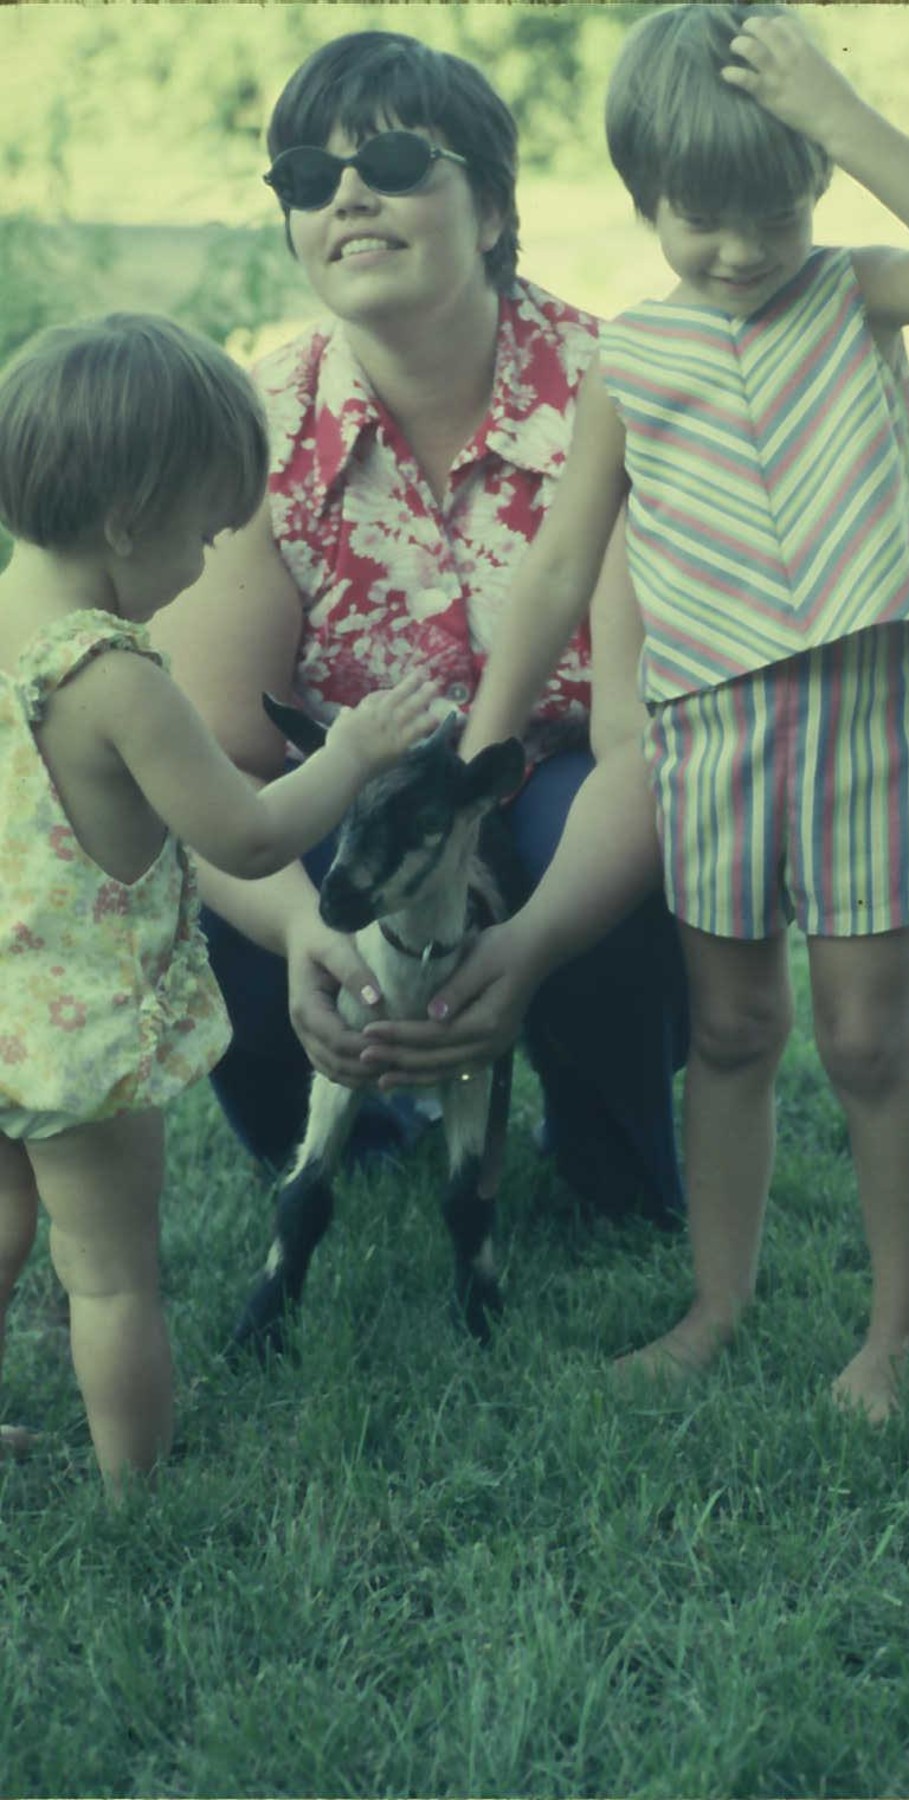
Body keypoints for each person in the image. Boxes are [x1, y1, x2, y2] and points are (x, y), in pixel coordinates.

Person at [452, 3, 909, 1420]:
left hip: (863, 717)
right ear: (645, 198)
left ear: (817, 185)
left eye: (774, 210)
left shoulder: (858, 295)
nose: (742, 248)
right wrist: (481, 745)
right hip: (708, 736)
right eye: (702, 217)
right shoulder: (630, 363)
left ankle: (904, 1332)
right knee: (729, 1031)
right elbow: (557, 569)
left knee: (865, 1039)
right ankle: (716, 1304)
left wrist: (840, 115)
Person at [152, 29, 688, 1229]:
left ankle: (605, 1145)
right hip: (352, 798)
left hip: (567, 797)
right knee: (265, 843)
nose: (344, 194)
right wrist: (301, 931)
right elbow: (211, 773)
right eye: (304, 176)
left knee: (573, 822)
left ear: (492, 210)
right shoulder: (254, 424)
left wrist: (535, 944)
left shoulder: (624, 390)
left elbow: (641, 746)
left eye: (392, 160)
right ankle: (356, 1124)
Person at [0, 313, 438, 1491]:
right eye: (200, 533)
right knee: (111, 1276)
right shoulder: (114, 678)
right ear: (126, 520)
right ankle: (140, 1490)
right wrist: (349, 754)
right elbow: (243, 832)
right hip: (71, 1037)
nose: (205, 566)